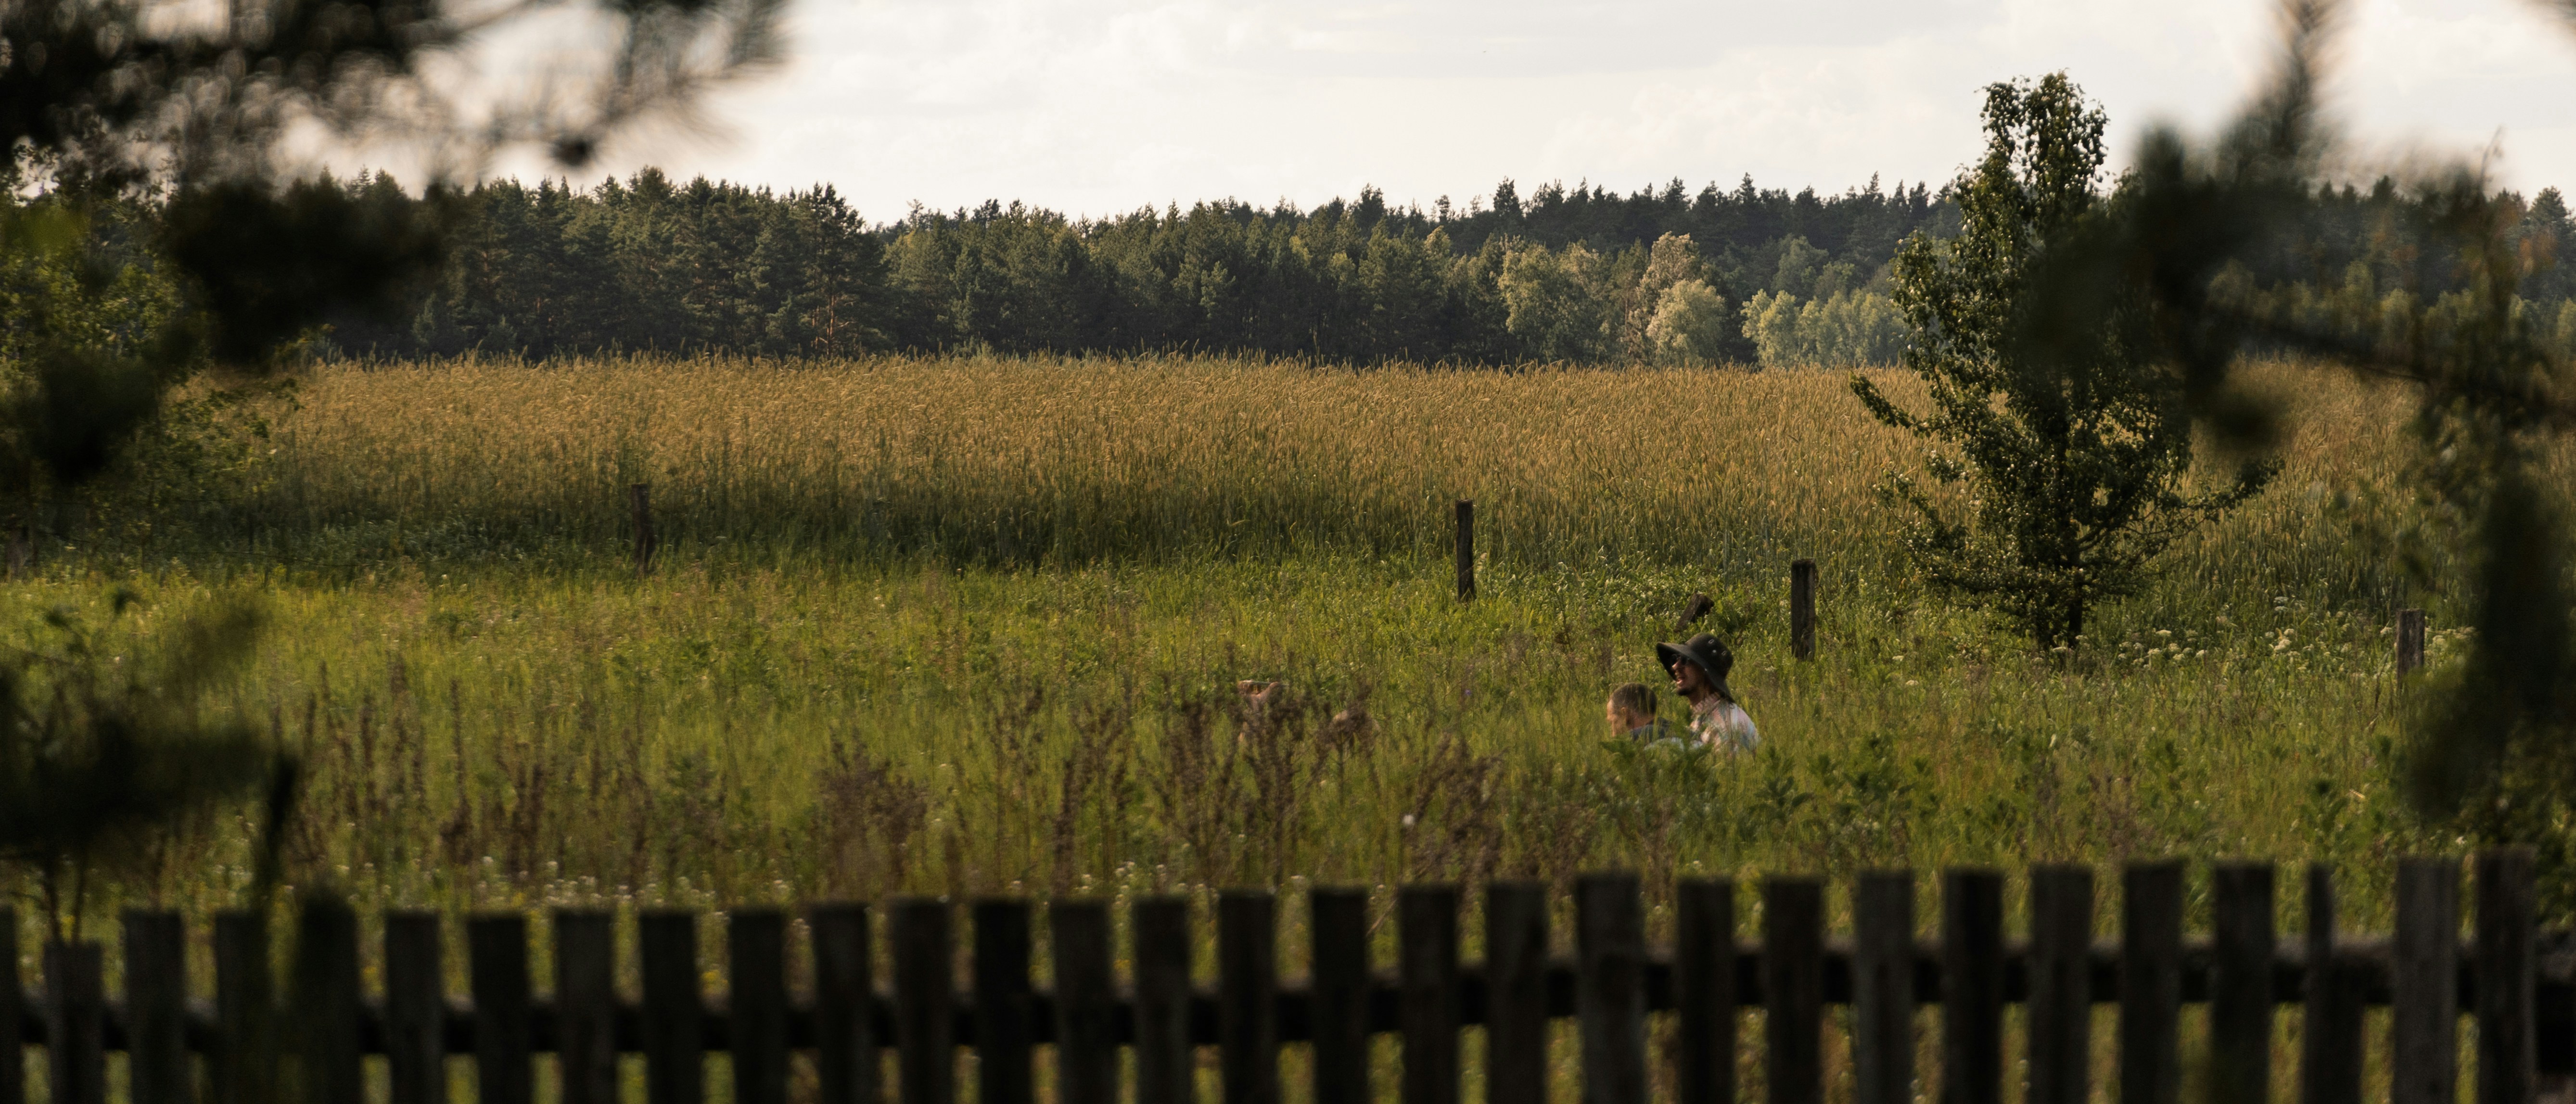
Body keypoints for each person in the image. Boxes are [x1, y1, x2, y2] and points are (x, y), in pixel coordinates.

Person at [1653, 633, 1759, 752]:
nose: (1675, 666)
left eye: (1685, 660)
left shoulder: (1726, 724)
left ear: (1706, 671)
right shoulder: (1703, 716)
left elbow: (1731, 770)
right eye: (1675, 659)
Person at [1604, 682, 1681, 744]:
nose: (1613, 735)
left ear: (1625, 715)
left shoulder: (1637, 743)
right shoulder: (1683, 732)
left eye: (1612, 722)